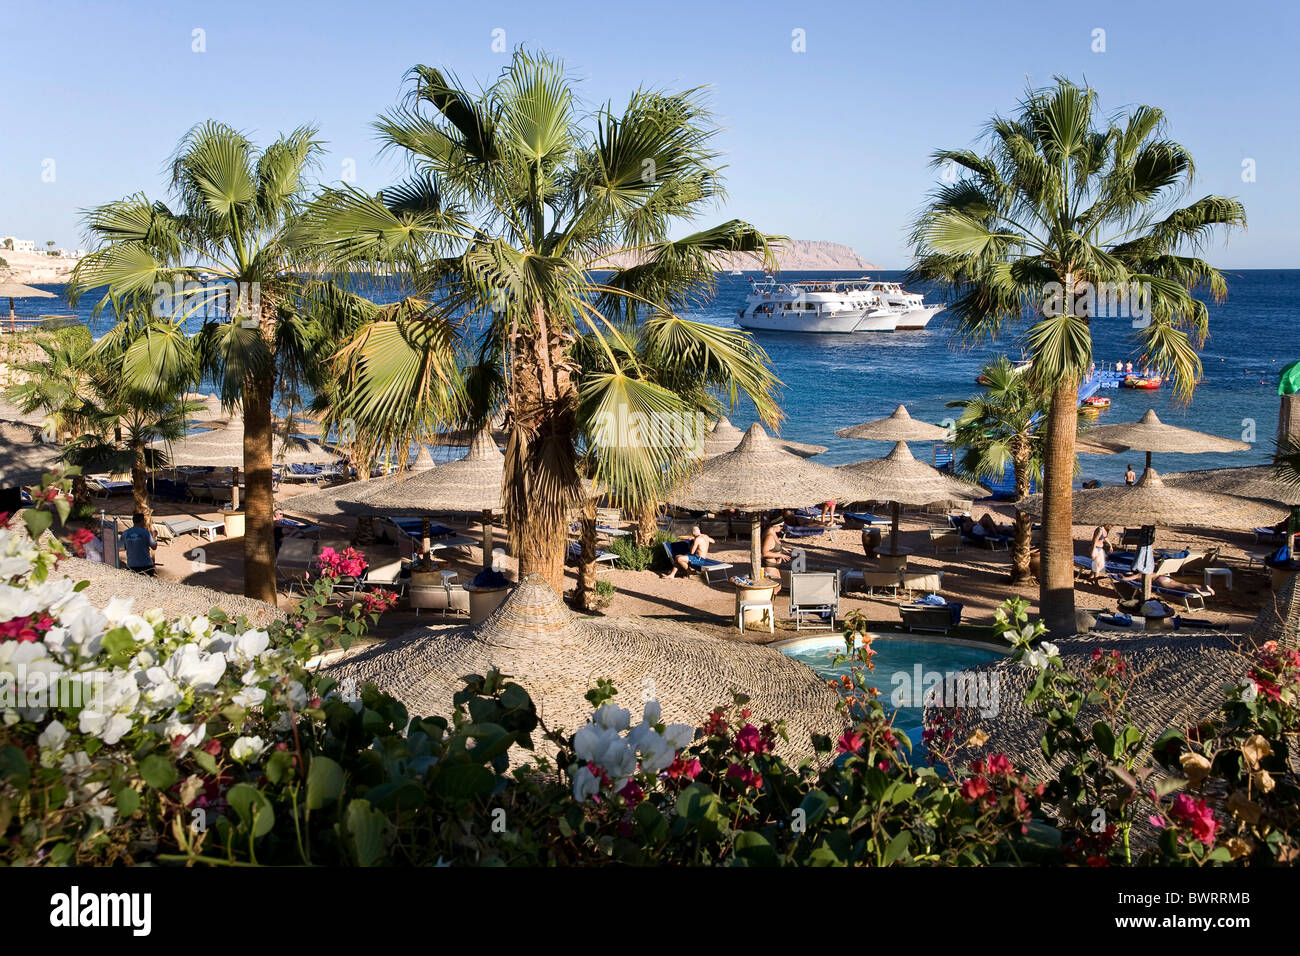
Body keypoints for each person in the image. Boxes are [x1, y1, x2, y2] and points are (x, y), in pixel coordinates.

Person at [761, 518, 791, 591]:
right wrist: (781, 555)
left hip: (773, 566)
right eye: (781, 526)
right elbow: (765, 553)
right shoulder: (769, 536)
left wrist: (781, 548)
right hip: (769, 567)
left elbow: (772, 545)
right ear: (775, 525)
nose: (782, 528)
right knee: (773, 589)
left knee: (777, 587)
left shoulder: (772, 532)